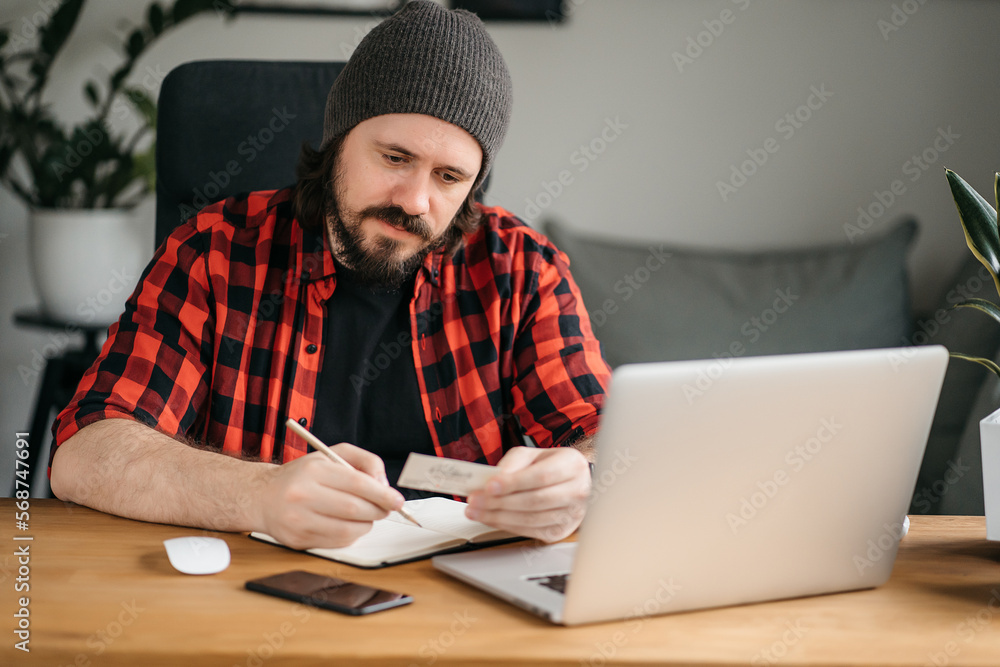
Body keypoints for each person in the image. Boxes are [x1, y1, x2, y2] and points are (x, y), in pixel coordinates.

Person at [49, 1, 610, 551]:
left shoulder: (522, 270)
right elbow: (85, 454)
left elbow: (609, 437)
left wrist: (579, 477)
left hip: (460, 606)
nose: (414, 200)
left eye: (448, 176)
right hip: (256, 594)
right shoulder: (214, 251)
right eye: (394, 157)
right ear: (340, 139)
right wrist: (259, 494)